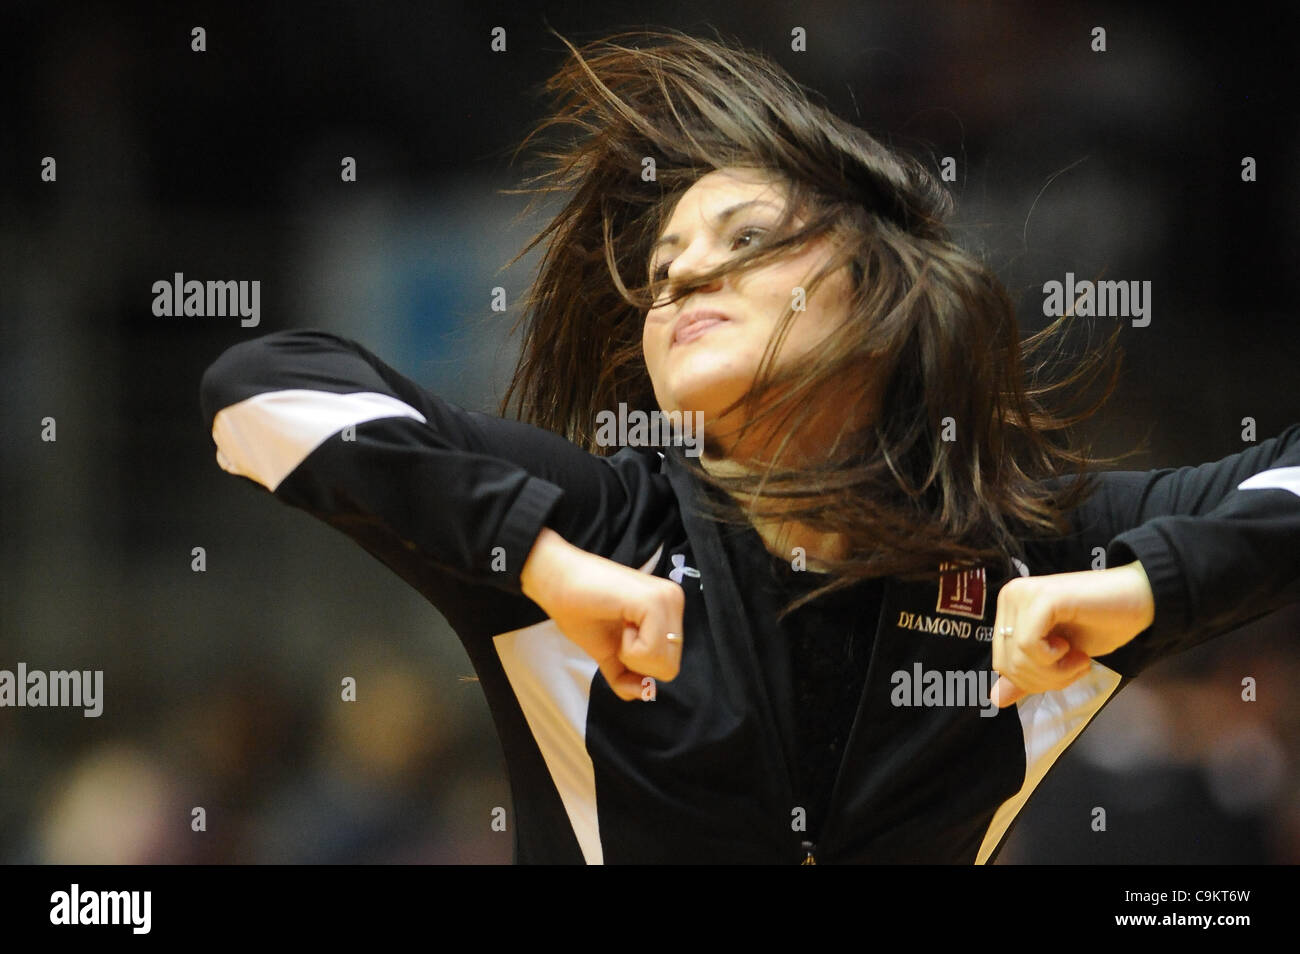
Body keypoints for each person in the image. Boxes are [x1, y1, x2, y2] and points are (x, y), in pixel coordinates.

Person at [198, 29, 1300, 864]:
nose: (678, 275)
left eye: (745, 237)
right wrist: (541, 560)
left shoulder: (1035, 564)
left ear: (876, 284)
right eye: (663, 264)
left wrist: (1146, 589)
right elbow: (256, 391)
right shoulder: (593, 529)